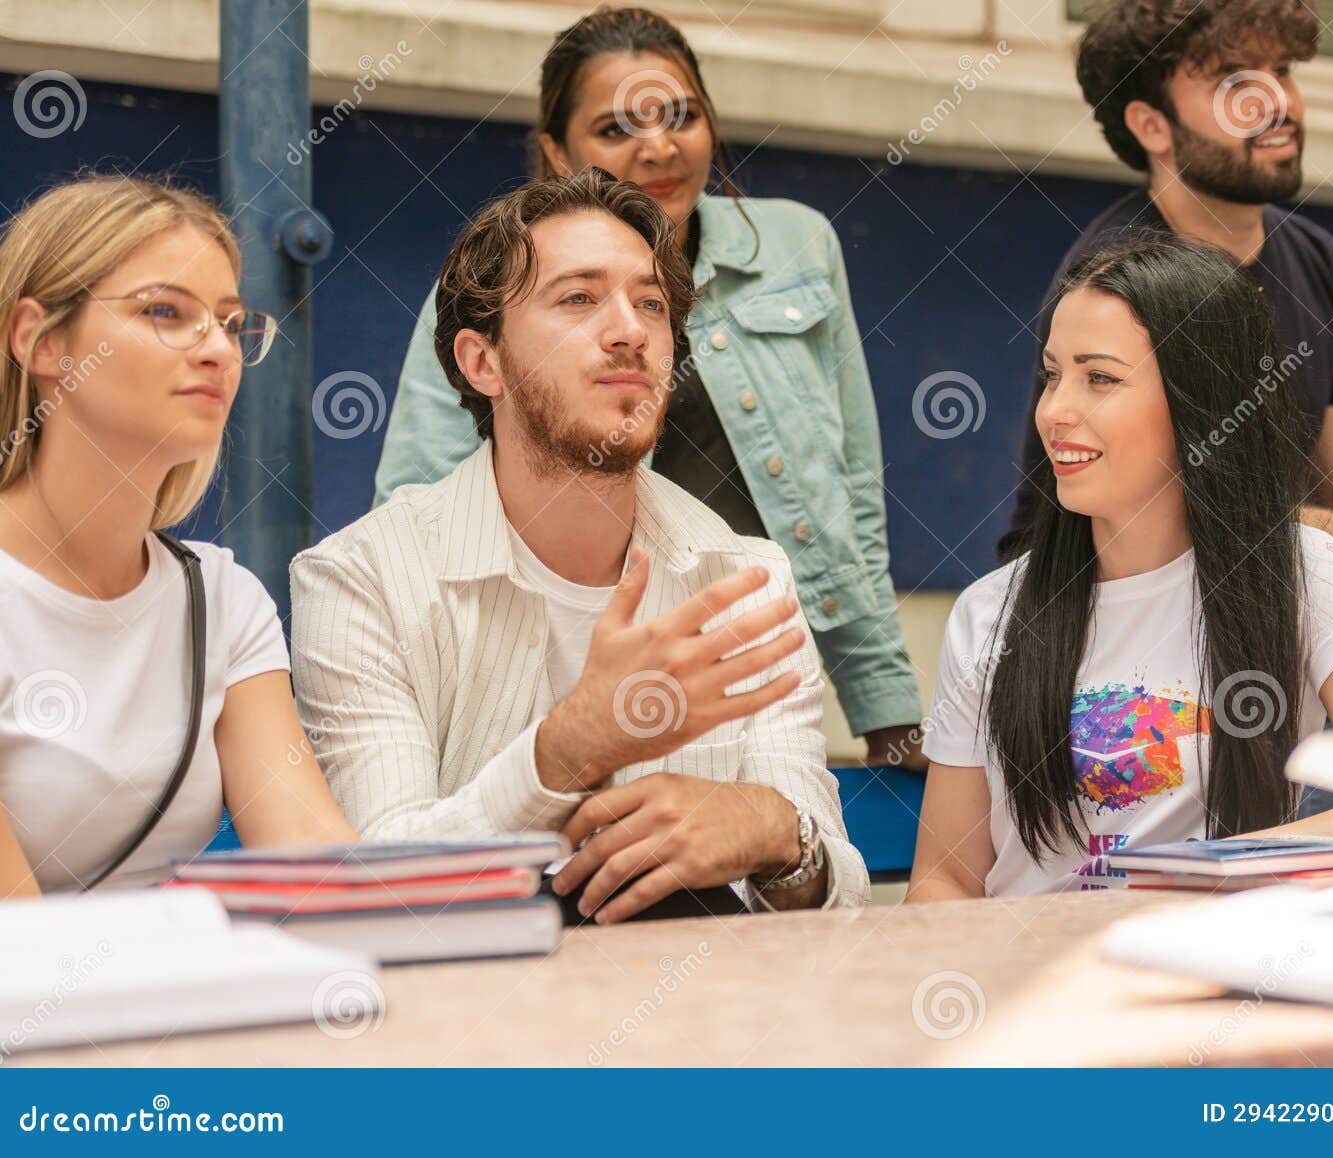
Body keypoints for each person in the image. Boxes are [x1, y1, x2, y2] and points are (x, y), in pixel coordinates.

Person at [291, 168, 869, 923]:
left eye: (652, 304)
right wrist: (569, 748)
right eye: (578, 298)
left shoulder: (747, 579)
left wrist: (781, 838)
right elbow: (384, 887)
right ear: (482, 362)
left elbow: (839, 907)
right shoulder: (360, 580)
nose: (630, 329)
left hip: (709, 1020)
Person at [372, 6, 925, 770]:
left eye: (681, 116)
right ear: (556, 151)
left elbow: (852, 497)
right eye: (615, 129)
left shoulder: (799, 246)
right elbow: (416, 497)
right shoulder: (488, 289)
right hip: (563, 679)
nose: (659, 148)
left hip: (745, 672)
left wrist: (885, 705)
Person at [999, 0, 1333, 659]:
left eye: (1282, 70)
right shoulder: (1122, 283)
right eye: (1234, 80)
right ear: (1152, 126)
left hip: (1254, 605)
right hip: (1099, 625)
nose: (1275, 103)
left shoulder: (1318, 259)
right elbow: (1202, 521)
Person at [907, 238, 1333, 902]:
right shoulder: (990, 610)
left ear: (1199, 400)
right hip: (1023, 981)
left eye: (1101, 378)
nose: (1056, 410)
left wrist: (1207, 871)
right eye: (1052, 373)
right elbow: (945, 876)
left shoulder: (1306, 574)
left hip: (1204, 972)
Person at [0, 174, 357, 895]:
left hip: (163, 992)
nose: (218, 352)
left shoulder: (221, 598)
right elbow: (18, 940)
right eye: (166, 311)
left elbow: (316, 867)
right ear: (38, 340)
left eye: (230, 323)